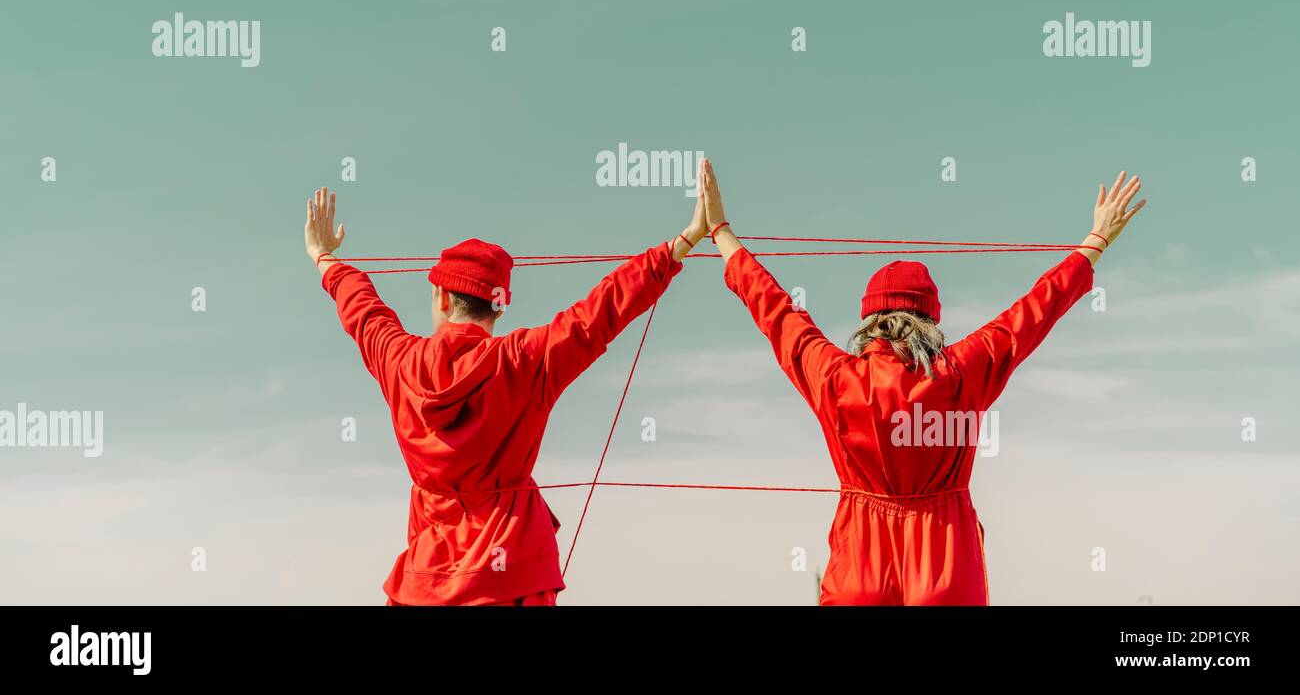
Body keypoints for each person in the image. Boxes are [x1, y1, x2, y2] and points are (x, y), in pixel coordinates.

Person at [697, 159, 1145, 605]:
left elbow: (776, 312)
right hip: (945, 569)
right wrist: (1095, 241)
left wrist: (721, 233)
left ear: (868, 321)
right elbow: (1030, 314)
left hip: (860, 573)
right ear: (931, 319)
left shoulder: (834, 377)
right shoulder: (961, 372)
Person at [303, 180, 708, 605]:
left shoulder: (401, 361)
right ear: (499, 305)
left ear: (441, 298)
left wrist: (323, 256)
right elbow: (598, 314)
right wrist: (683, 242)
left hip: (425, 583)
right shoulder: (522, 361)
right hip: (508, 579)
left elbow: (362, 309)